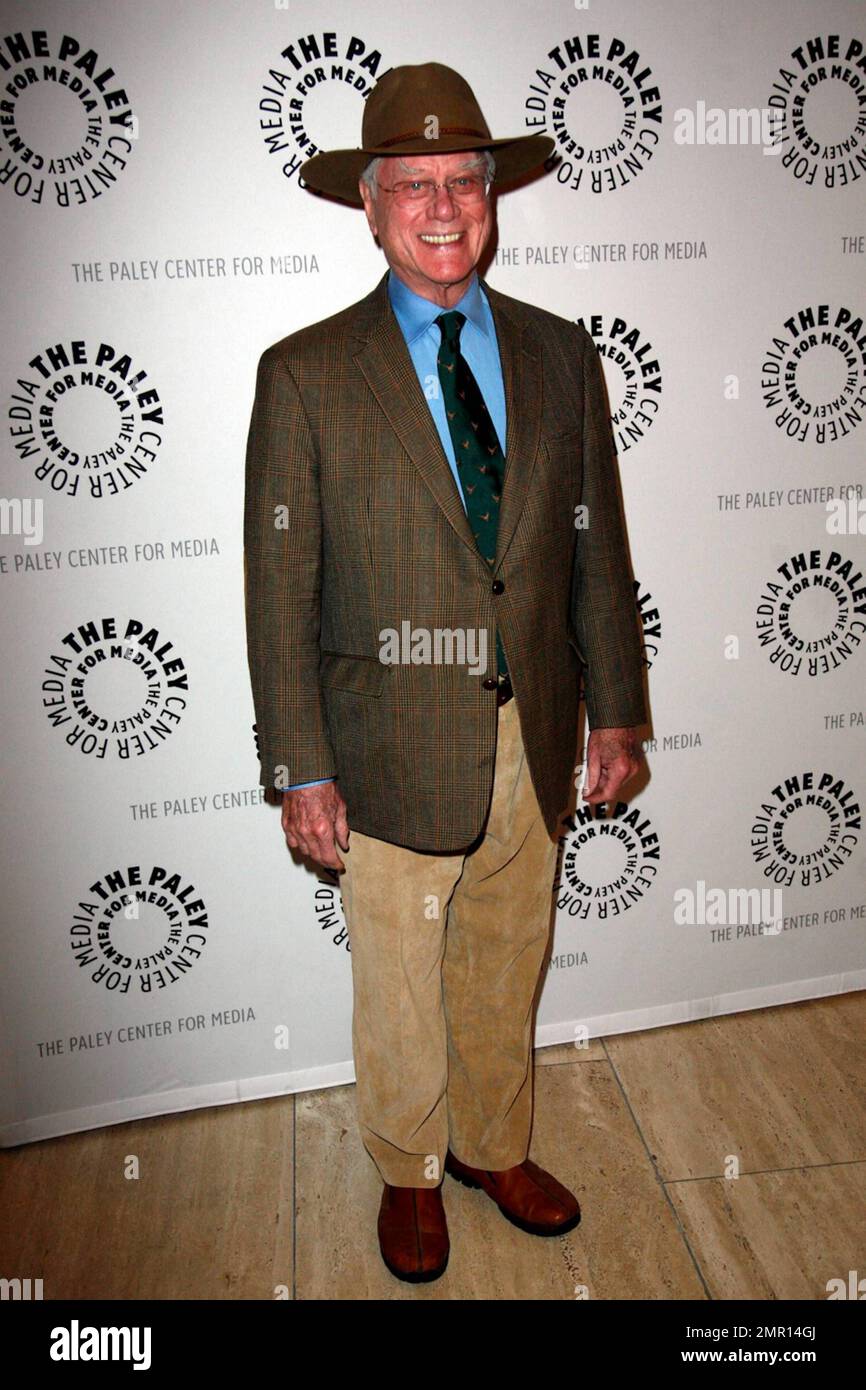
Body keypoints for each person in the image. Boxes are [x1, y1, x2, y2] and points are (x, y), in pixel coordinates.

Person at [243, 62, 648, 1284]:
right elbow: (280, 593)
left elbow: (595, 549)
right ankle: (408, 1170)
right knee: (400, 987)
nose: (440, 206)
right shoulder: (305, 373)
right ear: (367, 208)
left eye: (461, 181)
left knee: (504, 956)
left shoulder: (559, 355)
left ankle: (492, 1144)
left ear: (491, 197)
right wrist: (298, 765)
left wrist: (616, 711)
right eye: (409, 184)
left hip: (531, 733)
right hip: (381, 746)